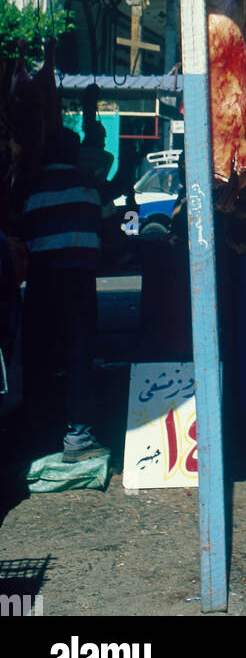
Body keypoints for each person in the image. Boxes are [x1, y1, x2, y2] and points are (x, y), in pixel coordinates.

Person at [19, 128, 114, 461]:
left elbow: (21, 238)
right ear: (74, 154)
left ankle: (36, 436)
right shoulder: (89, 186)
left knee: (38, 357)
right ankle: (78, 439)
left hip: (41, 283)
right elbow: (109, 230)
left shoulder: (28, 188)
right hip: (78, 283)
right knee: (79, 357)